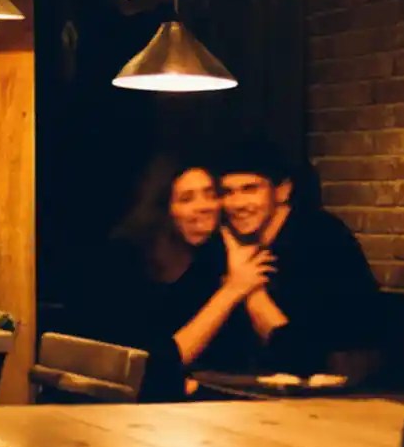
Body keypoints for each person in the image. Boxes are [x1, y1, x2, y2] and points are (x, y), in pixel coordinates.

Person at [76, 154, 272, 401]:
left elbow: (250, 357)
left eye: (210, 194)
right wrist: (231, 292)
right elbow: (152, 368)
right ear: (164, 209)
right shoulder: (124, 261)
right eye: (187, 198)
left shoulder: (216, 258)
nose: (205, 206)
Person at [217, 140, 381, 378]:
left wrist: (250, 292)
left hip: (342, 394)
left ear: (283, 191)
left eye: (250, 189)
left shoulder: (319, 239)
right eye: (227, 193)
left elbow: (300, 358)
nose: (237, 204)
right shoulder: (237, 242)